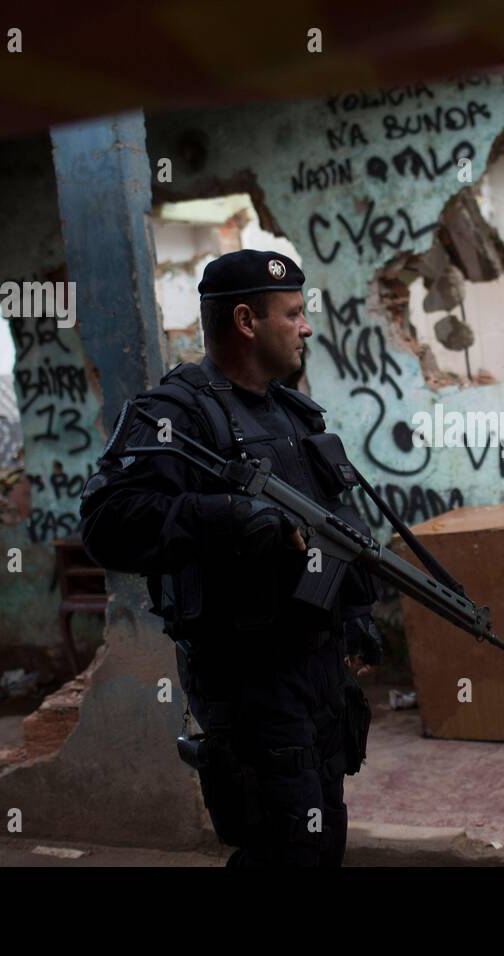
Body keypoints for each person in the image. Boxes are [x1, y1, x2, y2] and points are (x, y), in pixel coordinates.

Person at [79, 249, 383, 867]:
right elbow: (107, 525)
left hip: (318, 670)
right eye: (293, 314)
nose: (306, 327)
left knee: (321, 843)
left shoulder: (293, 413)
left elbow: (328, 533)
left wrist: (352, 618)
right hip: (249, 679)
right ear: (247, 321)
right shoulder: (176, 417)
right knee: (285, 849)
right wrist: (231, 516)